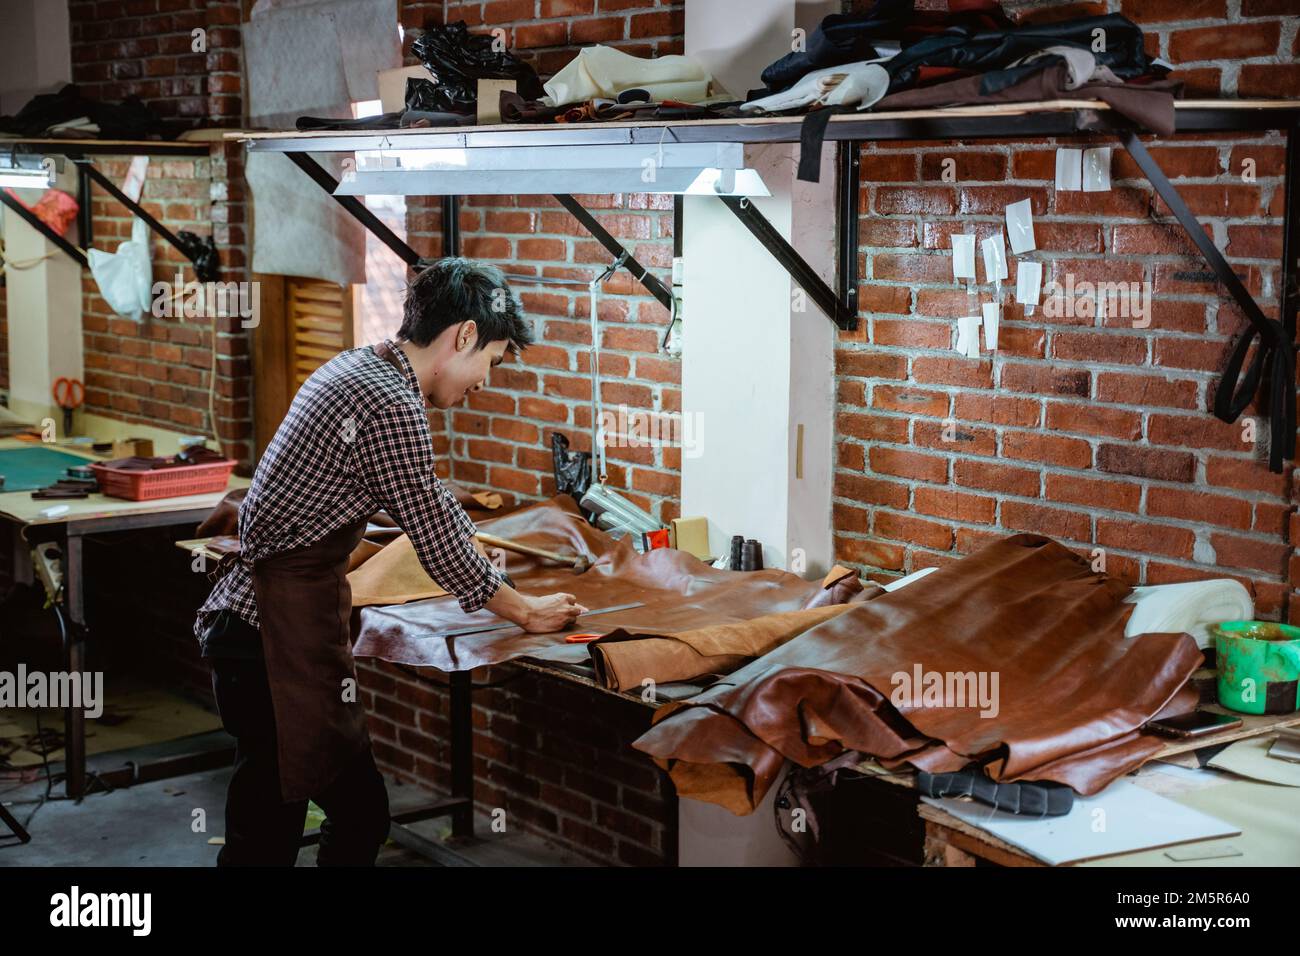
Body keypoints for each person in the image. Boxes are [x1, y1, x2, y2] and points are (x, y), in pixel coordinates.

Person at [194, 258, 586, 866]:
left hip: (264, 633)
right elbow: (432, 522)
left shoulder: (359, 367)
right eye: (493, 359)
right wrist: (523, 610)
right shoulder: (390, 402)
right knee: (286, 832)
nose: (486, 379)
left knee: (316, 820)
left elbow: (397, 499)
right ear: (461, 337)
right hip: (269, 641)